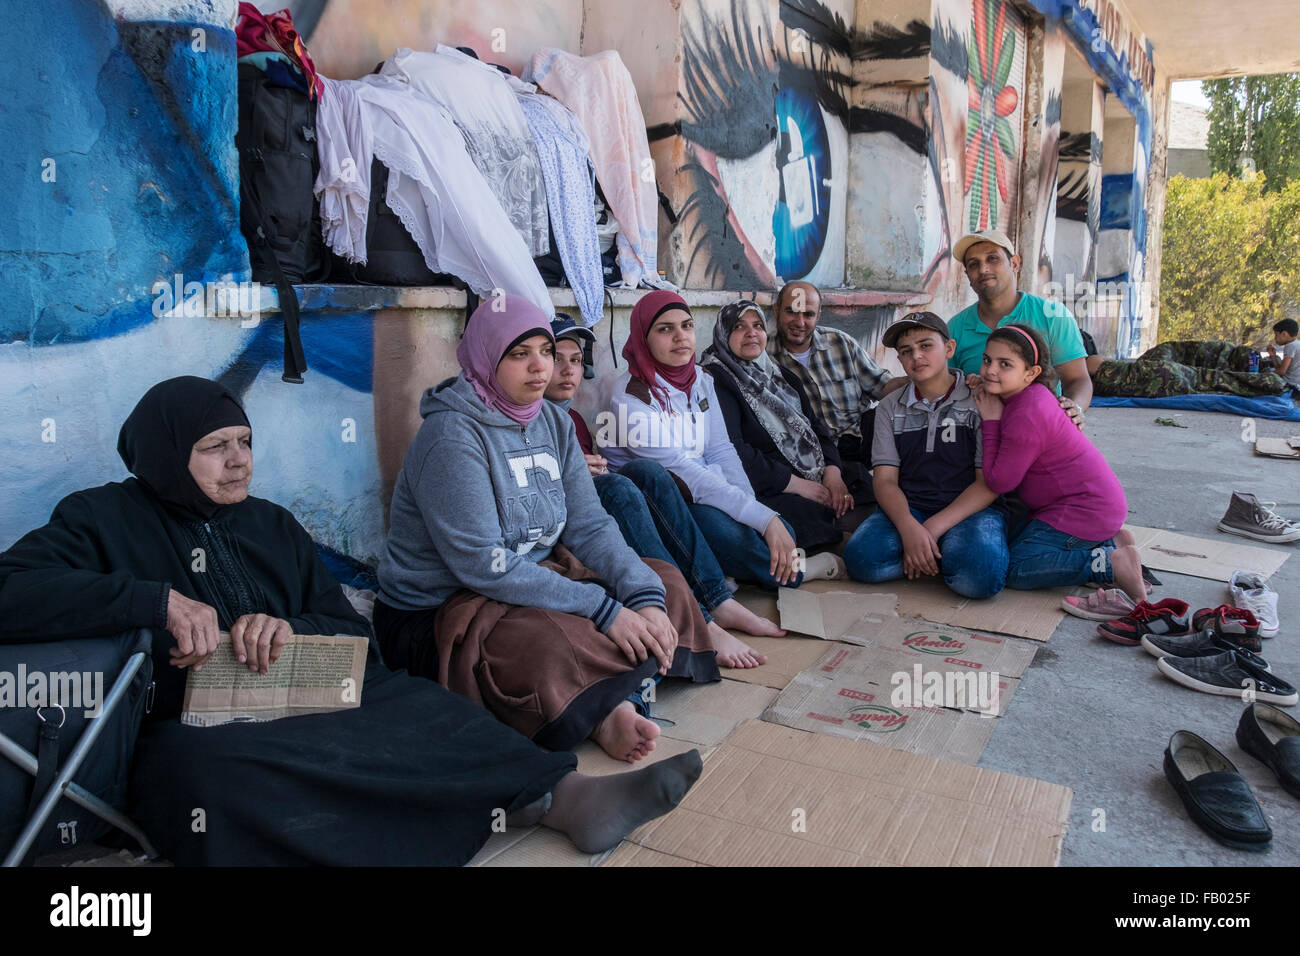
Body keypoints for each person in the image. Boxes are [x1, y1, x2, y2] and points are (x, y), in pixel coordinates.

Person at [0, 376, 702, 865]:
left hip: (291, 686)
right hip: (186, 719)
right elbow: (11, 591)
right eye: (216, 447)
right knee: (212, 778)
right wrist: (155, 603)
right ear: (164, 453)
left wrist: (289, 631)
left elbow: (351, 635)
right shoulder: (100, 520)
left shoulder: (269, 523)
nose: (239, 459)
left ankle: (563, 797)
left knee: (410, 704)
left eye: (244, 441)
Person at [374, 296, 719, 764]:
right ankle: (610, 707)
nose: (540, 366)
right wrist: (603, 611)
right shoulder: (452, 436)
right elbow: (484, 565)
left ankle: (605, 693)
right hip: (442, 607)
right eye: (519, 355)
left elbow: (590, 524)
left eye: (545, 350)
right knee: (548, 640)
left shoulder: (553, 420)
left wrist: (640, 595)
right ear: (486, 359)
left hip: (528, 576)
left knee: (666, 584)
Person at [544, 314, 778, 667]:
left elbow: (720, 451)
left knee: (647, 473)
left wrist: (759, 513)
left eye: (575, 360)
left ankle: (718, 599)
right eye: (554, 357)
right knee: (622, 486)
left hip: (666, 499)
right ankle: (702, 619)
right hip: (586, 526)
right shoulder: (528, 420)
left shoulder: (573, 420)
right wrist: (568, 476)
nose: (567, 370)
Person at [603, 291, 845, 593]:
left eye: (687, 326)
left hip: (707, 488)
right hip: (667, 502)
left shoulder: (701, 379)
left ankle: (734, 564)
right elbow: (682, 471)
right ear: (644, 336)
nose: (680, 337)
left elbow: (721, 449)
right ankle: (799, 571)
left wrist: (755, 513)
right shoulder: (629, 397)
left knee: (778, 527)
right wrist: (760, 519)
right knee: (728, 533)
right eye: (665, 329)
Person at [971, 325, 1146, 602]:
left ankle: (1110, 565)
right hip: (1095, 504)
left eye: (1005, 364)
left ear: (1031, 373)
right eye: (987, 360)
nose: (991, 370)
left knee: (1015, 567)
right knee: (1018, 544)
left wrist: (991, 421)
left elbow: (999, 481)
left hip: (1082, 509)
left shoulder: (1026, 413)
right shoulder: (1032, 395)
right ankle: (1110, 542)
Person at [842, 312, 1008, 599]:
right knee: (861, 561)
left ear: (950, 349)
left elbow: (987, 483)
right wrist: (909, 528)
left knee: (980, 577)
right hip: (911, 507)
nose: (916, 356)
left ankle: (931, 554)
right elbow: (885, 481)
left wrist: (930, 529)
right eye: (906, 352)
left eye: (926, 345)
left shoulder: (980, 400)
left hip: (969, 510)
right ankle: (935, 555)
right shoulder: (889, 408)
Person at [701, 299, 848, 553]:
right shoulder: (716, 379)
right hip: (765, 482)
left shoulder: (779, 376)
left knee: (859, 484)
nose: (751, 333)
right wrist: (798, 485)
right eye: (739, 326)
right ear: (724, 333)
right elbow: (736, 452)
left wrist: (833, 473)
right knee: (799, 516)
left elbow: (815, 427)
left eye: (758, 325)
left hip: (808, 473)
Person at [768, 280, 908, 497]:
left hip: (859, 440)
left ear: (819, 315)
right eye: (791, 312)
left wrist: (924, 379)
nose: (800, 322)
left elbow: (883, 386)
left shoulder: (839, 342)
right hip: (811, 453)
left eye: (808, 314)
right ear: (776, 310)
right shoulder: (764, 356)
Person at [947, 229, 1092, 428]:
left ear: (1014, 263)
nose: (983, 269)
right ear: (967, 275)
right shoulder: (955, 327)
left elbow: (1078, 378)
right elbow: (947, 386)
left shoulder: (1052, 315)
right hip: (977, 434)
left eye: (992, 259)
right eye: (973, 264)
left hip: (1040, 429)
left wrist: (1074, 408)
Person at [1085, 339, 1286, 398]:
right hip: (1167, 373)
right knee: (1208, 379)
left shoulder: (1099, 372)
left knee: (1209, 380)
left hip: (1165, 373)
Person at [1267, 318, 1300, 392]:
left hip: (1289, 385)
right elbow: (1281, 369)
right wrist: (1273, 356)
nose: (1275, 338)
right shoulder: (1297, 344)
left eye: (1276, 335)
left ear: (1284, 334)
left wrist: (1266, 374)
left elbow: (1281, 371)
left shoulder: (1290, 346)